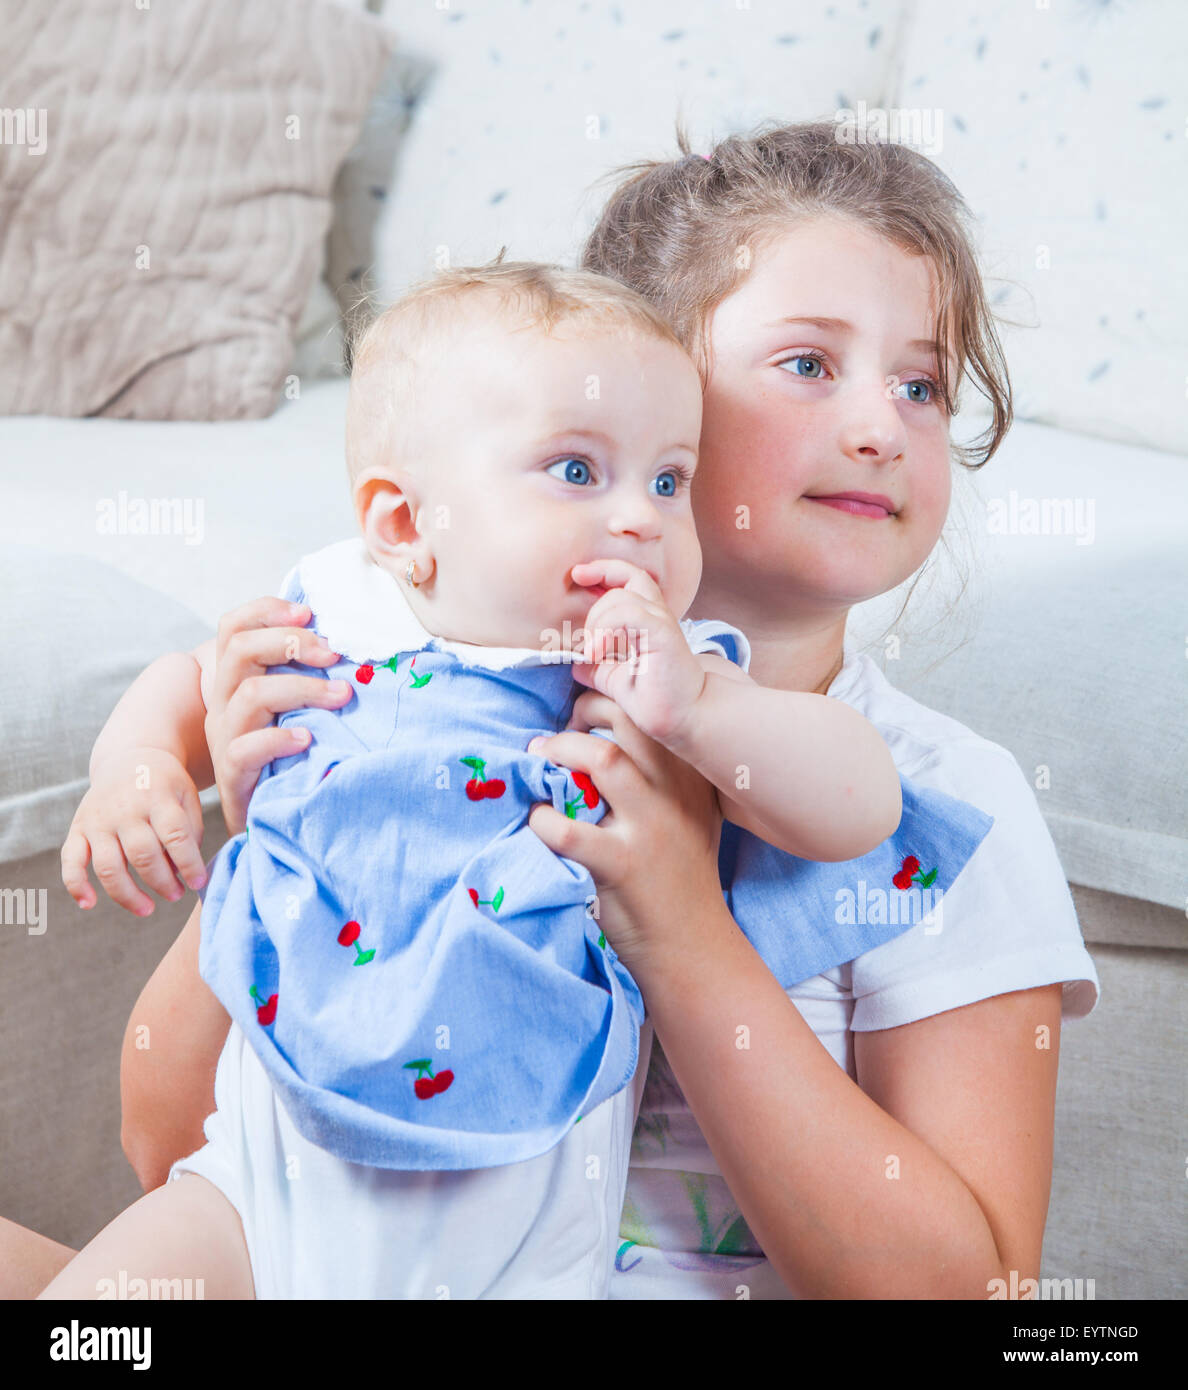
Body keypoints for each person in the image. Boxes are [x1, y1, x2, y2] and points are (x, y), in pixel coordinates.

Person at [50, 119, 1099, 1300]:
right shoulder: (380, 645)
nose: (880, 426)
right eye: (809, 365)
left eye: (922, 385)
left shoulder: (943, 798)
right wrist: (282, 817)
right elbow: (164, 1149)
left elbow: (975, 1298)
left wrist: (679, 922)